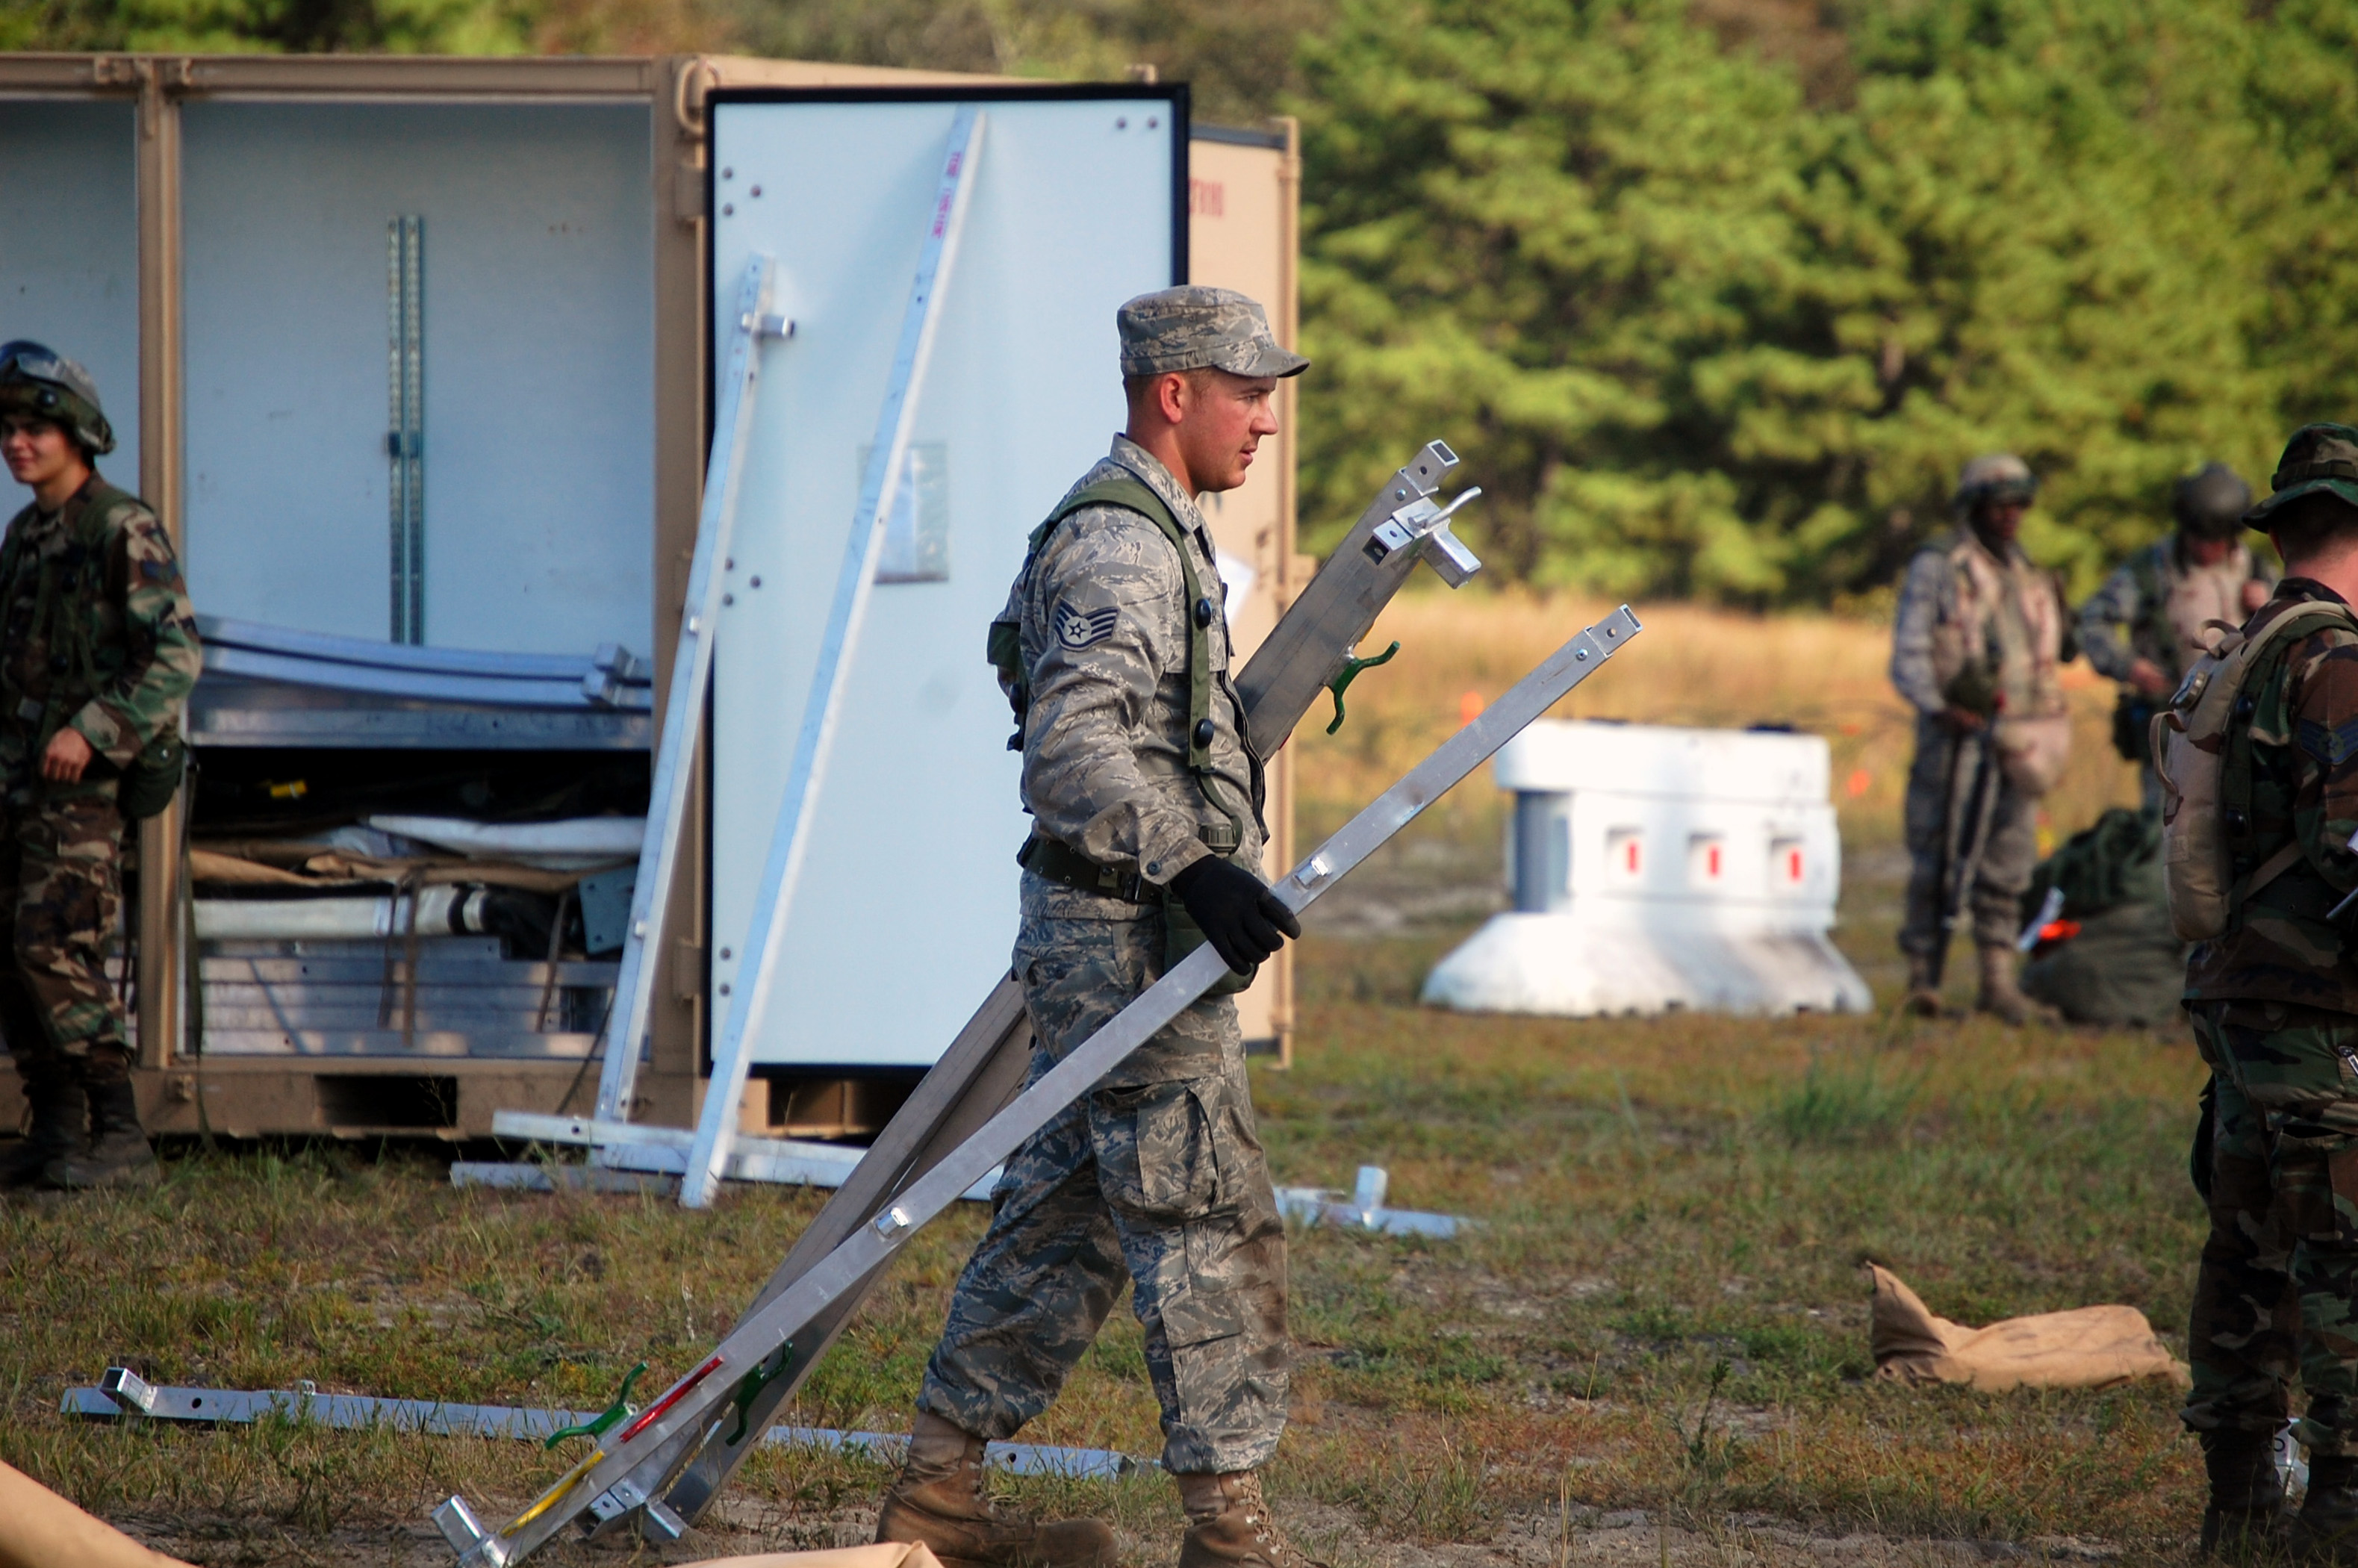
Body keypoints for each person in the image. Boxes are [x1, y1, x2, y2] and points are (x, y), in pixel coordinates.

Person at [874, 287, 1310, 1568]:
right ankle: (1228, 1533)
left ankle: (935, 1503)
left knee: (1063, 1219)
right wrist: (1197, 870)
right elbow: (1069, 753)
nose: (1264, 421)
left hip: (1116, 933)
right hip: (1123, 935)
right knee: (1201, 1214)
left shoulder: (1159, 531)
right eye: (1245, 392)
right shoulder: (1122, 545)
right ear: (1172, 393)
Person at [2180, 423, 2358, 1561]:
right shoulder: (2335, 660)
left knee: (2243, 1254)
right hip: (2316, 1014)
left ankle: (2237, 1510)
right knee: (2341, 1258)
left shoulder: (2245, 643)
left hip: (2240, 1002)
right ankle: (2338, 1516)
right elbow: (2348, 847)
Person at [0, 342, 199, 1190]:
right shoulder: (28, 533)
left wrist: (94, 728)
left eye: (36, 427)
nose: (18, 443)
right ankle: (55, 1131)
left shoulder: (120, 526)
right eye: (8, 429)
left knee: (55, 948)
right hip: (19, 783)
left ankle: (119, 1136)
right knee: (12, 953)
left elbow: (178, 652)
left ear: (77, 432)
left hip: (83, 789)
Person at [1889, 452, 2076, 1023]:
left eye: (2019, 504)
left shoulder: (2031, 573)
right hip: (1957, 737)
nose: (2011, 515)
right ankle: (1924, 977)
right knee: (1940, 855)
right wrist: (1940, 707)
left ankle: (1998, 980)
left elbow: (2058, 651)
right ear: (1974, 508)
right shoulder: (1939, 566)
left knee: (2010, 861)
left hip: (2022, 737)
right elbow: (1910, 653)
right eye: (2000, 505)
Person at [2079, 462, 2275, 808]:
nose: (2205, 548)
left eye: (2215, 540)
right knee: (2169, 833)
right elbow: (2092, 620)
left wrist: (2270, 605)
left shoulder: (2256, 571)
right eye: (2197, 537)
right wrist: (2130, 666)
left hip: (2243, 729)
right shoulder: (2152, 571)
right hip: (2173, 730)